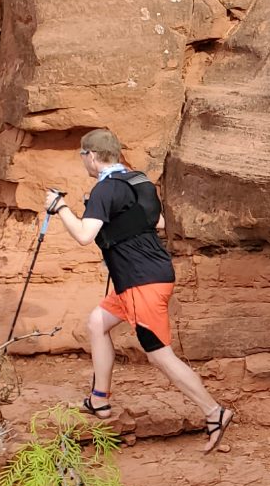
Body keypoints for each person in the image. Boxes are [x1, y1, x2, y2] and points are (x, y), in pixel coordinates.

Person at [46, 129, 235, 452]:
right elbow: (157, 222)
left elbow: (84, 235)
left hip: (140, 282)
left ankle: (213, 411)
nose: (84, 162)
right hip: (148, 275)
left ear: (91, 156)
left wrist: (59, 207)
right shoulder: (140, 182)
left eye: (83, 157)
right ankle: (99, 399)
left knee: (158, 354)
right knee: (97, 323)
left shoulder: (105, 190)